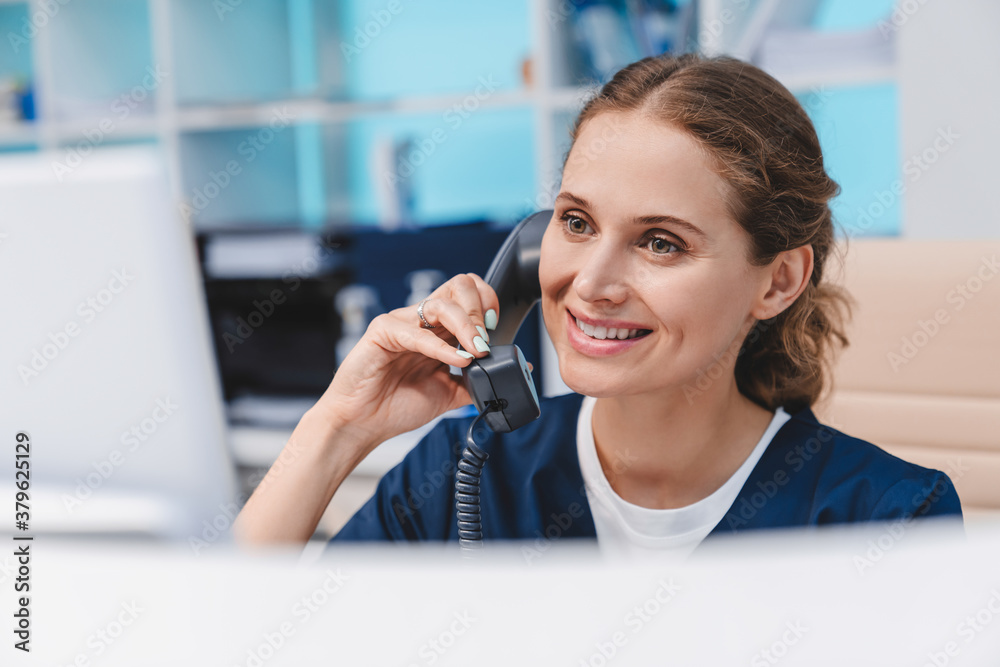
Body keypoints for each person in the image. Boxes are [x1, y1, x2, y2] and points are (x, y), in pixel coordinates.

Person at [233, 53, 962, 560]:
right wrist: (336, 428)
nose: (591, 282)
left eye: (661, 243)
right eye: (576, 223)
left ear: (777, 282)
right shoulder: (469, 471)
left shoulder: (886, 514)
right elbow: (232, 641)